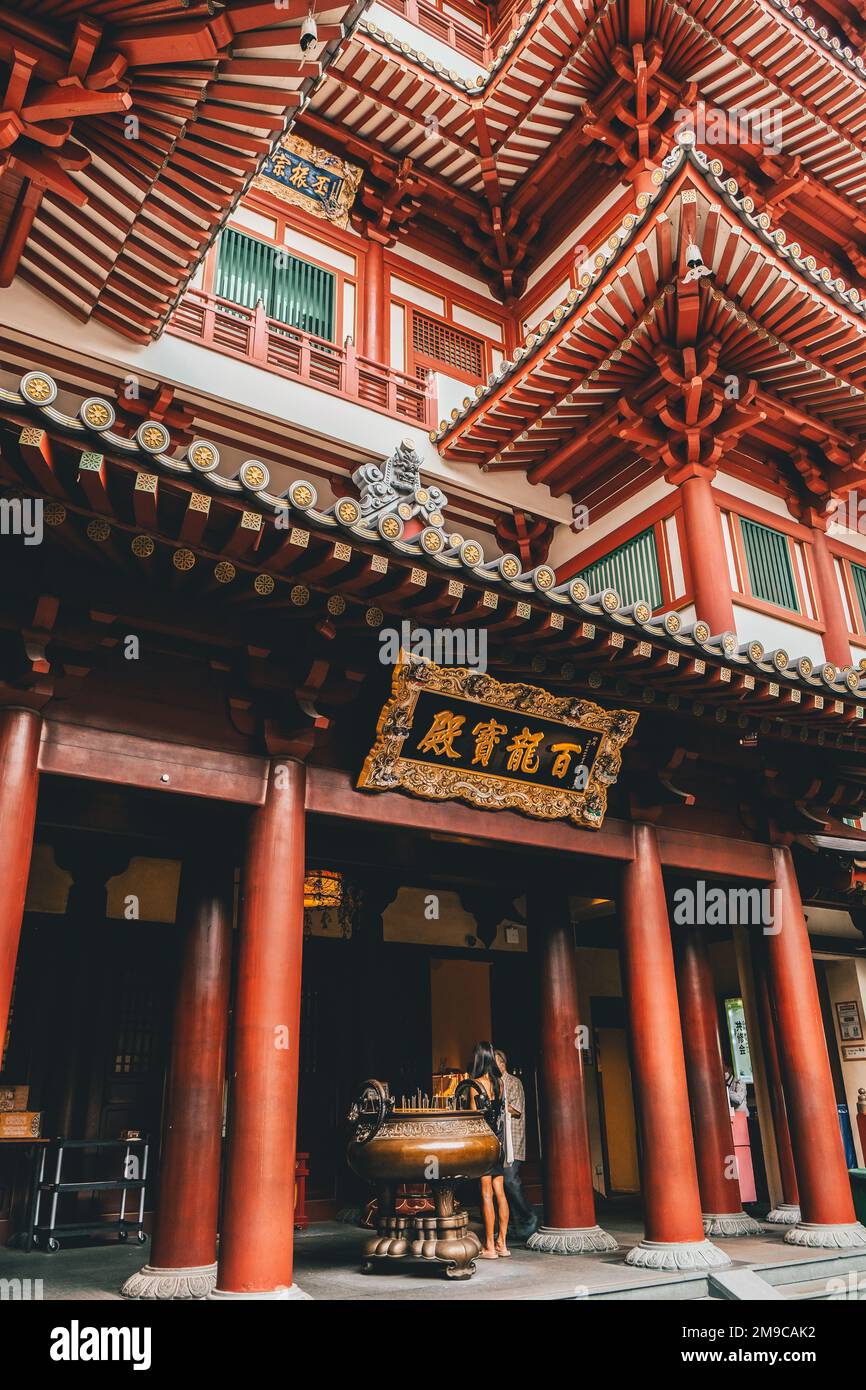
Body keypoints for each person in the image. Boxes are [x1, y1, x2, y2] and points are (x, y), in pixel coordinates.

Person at [469, 1041, 509, 1259]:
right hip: (499, 1143)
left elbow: (474, 1119)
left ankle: (489, 1247)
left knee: (486, 1194)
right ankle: (502, 1243)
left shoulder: (475, 1084)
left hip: (484, 1144)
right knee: (500, 1193)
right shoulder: (499, 1083)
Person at [495, 1048, 539, 1240]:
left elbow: (517, 1110)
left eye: (494, 1061)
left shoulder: (513, 1082)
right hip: (498, 1139)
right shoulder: (492, 1083)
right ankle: (514, 1225)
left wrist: (497, 1103)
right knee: (501, 1184)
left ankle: (529, 1216)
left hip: (513, 1137)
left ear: (502, 1063)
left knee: (511, 1180)